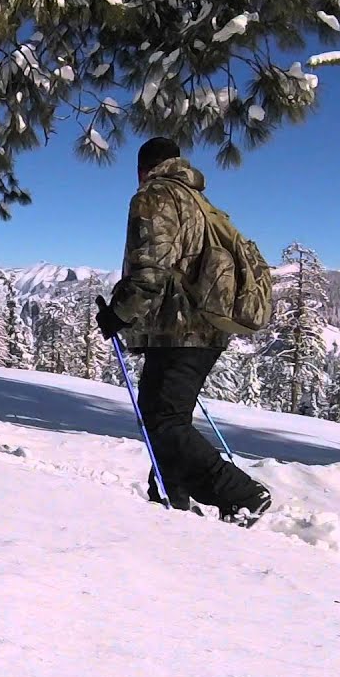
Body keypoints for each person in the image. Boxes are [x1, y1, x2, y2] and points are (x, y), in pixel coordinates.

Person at [96, 137, 272, 527]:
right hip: (202, 327)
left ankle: (241, 494)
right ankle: (170, 496)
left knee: (164, 420)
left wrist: (120, 314)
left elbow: (151, 267)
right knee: (164, 416)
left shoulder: (155, 195)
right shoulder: (199, 201)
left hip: (180, 328)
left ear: (143, 169)